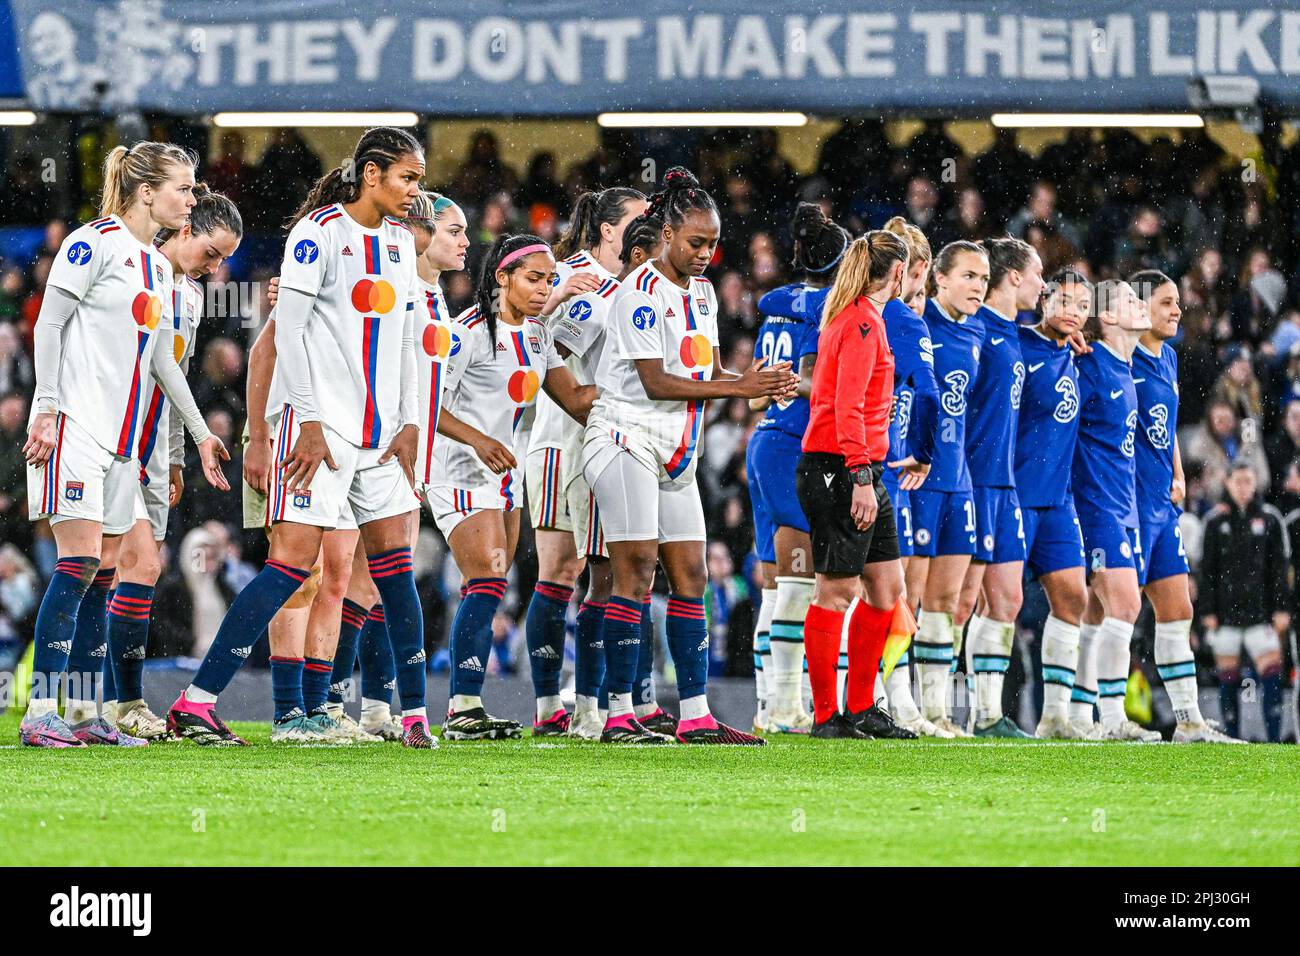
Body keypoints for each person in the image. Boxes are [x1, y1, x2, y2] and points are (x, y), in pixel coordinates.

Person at [168, 127, 433, 748]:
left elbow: (402, 343)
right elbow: (286, 331)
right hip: (321, 431)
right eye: (408, 178)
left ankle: (412, 716)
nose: (414, 192)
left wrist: (411, 422)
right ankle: (199, 700)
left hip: (380, 439)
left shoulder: (398, 243)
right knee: (293, 569)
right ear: (372, 174)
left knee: (392, 572)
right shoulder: (318, 235)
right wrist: (306, 424)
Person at [20, 142, 230, 748]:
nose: (192, 200)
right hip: (78, 427)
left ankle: (86, 714)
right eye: (184, 189)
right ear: (146, 192)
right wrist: (47, 408)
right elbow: (49, 323)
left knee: (103, 577)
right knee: (79, 563)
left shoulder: (159, 268)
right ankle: (40, 714)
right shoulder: (93, 242)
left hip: (123, 448)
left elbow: (163, 361)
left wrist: (198, 432)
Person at [581, 167, 797, 744]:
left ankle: (697, 714)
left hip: (674, 448)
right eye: (695, 242)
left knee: (692, 575)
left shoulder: (702, 294)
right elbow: (655, 382)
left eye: (711, 244)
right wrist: (738, 388)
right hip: (623, 437)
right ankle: (620, 714)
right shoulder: (638, 293)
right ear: (668, 233)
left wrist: (756, 379)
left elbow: (704, 372)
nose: (705, 254)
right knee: (634, 572)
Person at [85, 185, 243, 742]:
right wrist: (198, 437)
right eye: (212, 252)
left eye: (225, 259)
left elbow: (178, 376)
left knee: (135, 569)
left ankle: (110, 703)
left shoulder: (194, 298)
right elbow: (154, 366)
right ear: (183, 230)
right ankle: (100, 702)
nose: (216, 266)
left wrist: (174, 457)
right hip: (113, 434)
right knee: (120, 566)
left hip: (154, 446)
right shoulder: (141, 272)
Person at [429, 234, 596, 739]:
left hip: (504, 475)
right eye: (533, 278)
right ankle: (460, 707)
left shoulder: (539, 337)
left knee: (492, 584)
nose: (545, 289)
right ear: (501, 277)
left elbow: (574, 398)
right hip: (457, 467)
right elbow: (425, 403)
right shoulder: (466, 334)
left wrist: (643, 391)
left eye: (550, 280)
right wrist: (478, 440)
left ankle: (467, 705)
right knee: (486, 577)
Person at [523, 187, 647, 737]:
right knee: (559, 572)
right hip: (559, 440)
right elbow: (546, 360)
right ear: (606, 230)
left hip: (608, 442)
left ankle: (595, 704)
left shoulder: (637, 286)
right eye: (638, 222)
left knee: (607, 572)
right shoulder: (575, 279)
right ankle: (552, 702)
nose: (649, 231)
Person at [796, 230, 920, 740]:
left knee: (887, 588)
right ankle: (827, 716)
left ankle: (863, 704)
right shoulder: (864, 323)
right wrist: (861, 477)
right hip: (841, 469)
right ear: (897, 273)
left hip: (862, 465)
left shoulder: (855, 317)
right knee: (837, 590)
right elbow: (846, 407)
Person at [746, 202, 849, 734]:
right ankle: (786, 706)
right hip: (793, 443)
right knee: (799, 581)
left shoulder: (777, 306)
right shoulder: (824, 310)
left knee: (772, 585)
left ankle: (769, 702)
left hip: (764, 441)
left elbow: (761, 386)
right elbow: (802, 379)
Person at [1130, 270, 1240, 743]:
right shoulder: (1118, 357)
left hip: (1160, 504)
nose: (1177, 311)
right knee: (1108, 613)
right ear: (1138, 308)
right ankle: (1097, 716)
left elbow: (1165, 425)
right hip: (1123, 503)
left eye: (1177, 302)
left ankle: (1191, 721)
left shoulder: (1168, 358)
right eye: (1166, 303)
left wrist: (1177, 472)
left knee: (1178, 610)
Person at [956, 237, 1044, 738]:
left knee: (1006, 601)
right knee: (958, 603)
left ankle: (988, 714)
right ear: (1013, 277)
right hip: (969, 482)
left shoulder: (1015, 333)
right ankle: (936, 708)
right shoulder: (976, 331)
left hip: (1005, 486)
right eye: (1036, 274)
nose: (1042, 284)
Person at [1071, 279, 1162, 742]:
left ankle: (1077, 713)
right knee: (1124, 604)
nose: (1140, 304)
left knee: (1096, 612)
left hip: (1123, 506)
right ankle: (1111, 719)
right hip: (1095, 506)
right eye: (1129, 299)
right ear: (1106, 318)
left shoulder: (1125, 367)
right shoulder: (1088, 365)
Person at [907, 241, 989, 737]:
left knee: (947, 603)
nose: (977, 285)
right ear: (939, 279)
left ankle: (935, 711)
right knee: (905, 598)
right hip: (917, 478)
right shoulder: (918, 322)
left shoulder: (977, 329)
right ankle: (893, 702)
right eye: (968, 276)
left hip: (959, 481)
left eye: (983, 277)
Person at [1015, 271, 1090, 738]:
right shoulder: (1017, 345)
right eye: (1064, 300)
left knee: (1072, 599)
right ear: (1042, 299)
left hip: (1058, 502)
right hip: (1014, 496)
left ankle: (1055, 718)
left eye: (1083, 306)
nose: (1073, 311)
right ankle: (975, 713)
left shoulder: (1080, 358)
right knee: (989, 605)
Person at [877, 216, 940, 736]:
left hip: (838, 456)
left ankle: (861, 698)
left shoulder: (843, 308)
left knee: (850, 587)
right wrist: (923, 452)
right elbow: (928, 394)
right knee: (885, 588)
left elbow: (776, 302)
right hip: (882, 464)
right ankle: (889, 698)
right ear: (917, 269)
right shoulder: (902, 319)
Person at [1198, 464, 1290, 741]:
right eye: (1238, 481)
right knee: (1228, 677)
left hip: (1261, 614)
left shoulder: (1270, 518)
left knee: (1271, 674)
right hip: (1225, 615)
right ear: (1227, 483)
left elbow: (1279, 569)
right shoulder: (1215, 522)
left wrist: (1281, 608)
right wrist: (1207, 611)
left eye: (1248, 481)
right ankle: (1233, 737)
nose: (1243, 486)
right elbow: (1207, 570)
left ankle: (1273, 738)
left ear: (1255, 483)